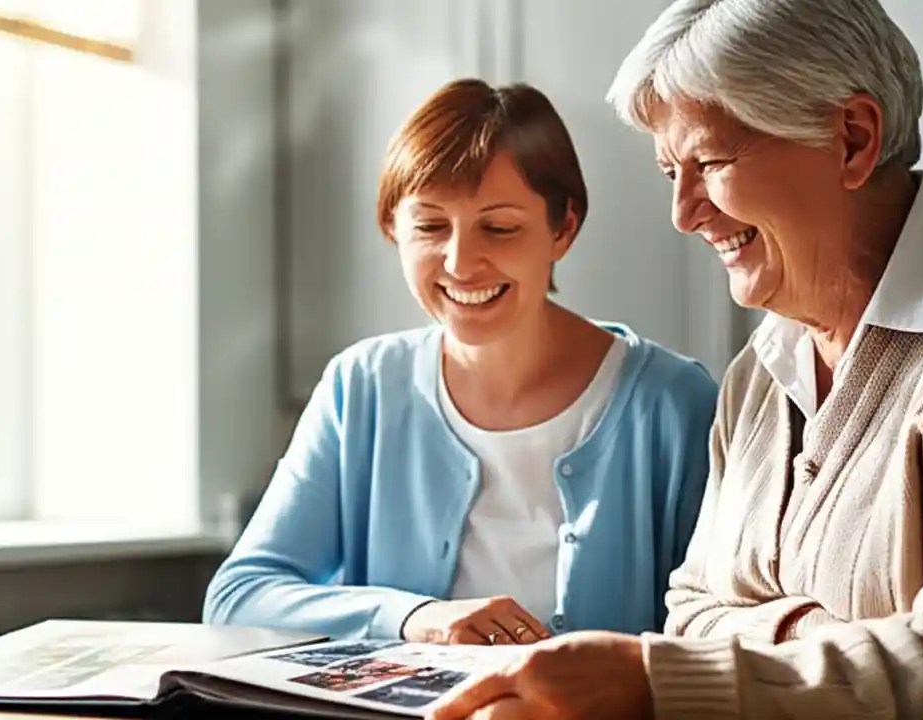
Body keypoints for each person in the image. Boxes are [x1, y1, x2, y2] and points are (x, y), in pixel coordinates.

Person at [431, 0, 923, 718]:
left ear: (851, 139)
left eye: (711, 163)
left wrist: (664, 676)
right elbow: (691, 611)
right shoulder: (761, 370)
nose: (684, 212)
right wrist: (823, 640)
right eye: (671, 171)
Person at [202, 79, 717, 646]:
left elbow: (715, 626)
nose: (460, 262)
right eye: (429, 226)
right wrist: (415, 618)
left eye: (499, 228)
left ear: (563, 229)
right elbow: (240, 596)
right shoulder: (363, 386)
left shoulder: (673, 401)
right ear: (392, 228)